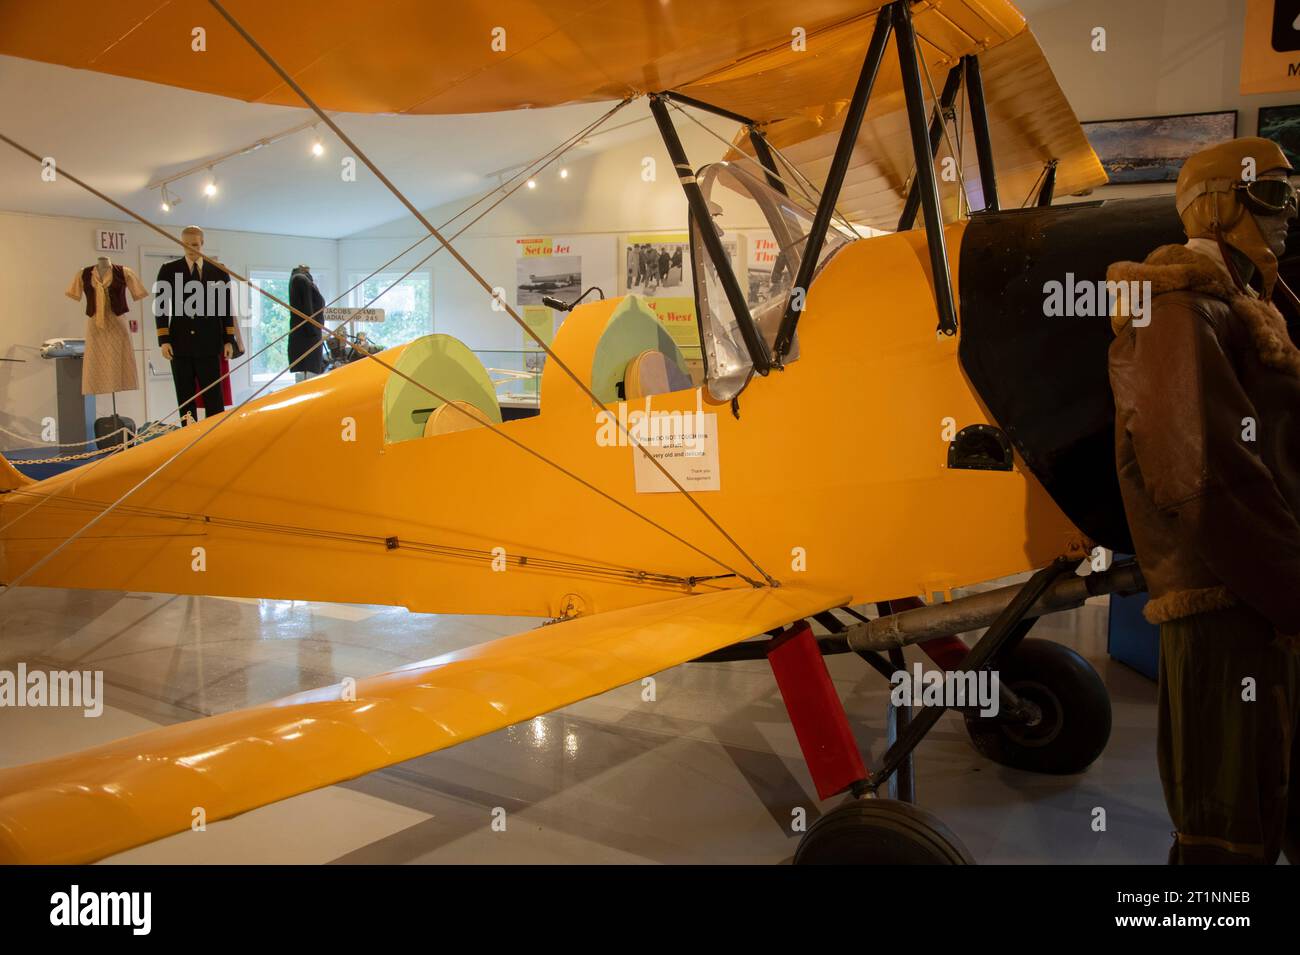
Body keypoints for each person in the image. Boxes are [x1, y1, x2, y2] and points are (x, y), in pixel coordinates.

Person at [1106, 137, 1300, 864]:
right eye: (1272, 195)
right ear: (1220, 204)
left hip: (1258, 598)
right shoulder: (1175, 312)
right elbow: (1203, 482)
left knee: (1264, 795)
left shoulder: (1240, 306)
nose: (1288, 215)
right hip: (1225, 605)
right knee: (1224, 831)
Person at [153, 226, 236, 423]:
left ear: (203, 243)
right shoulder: (169, 270)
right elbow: (161, 307)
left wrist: (228, 340)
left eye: (196, 244)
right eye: (187, 245)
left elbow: (225, 308)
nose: (192, 249)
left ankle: (215, 439)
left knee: (214, 399)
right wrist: (164, 340)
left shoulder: (219, 272)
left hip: (209, 343)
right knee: (185, 398)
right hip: (180, 344)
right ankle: (189, 439)